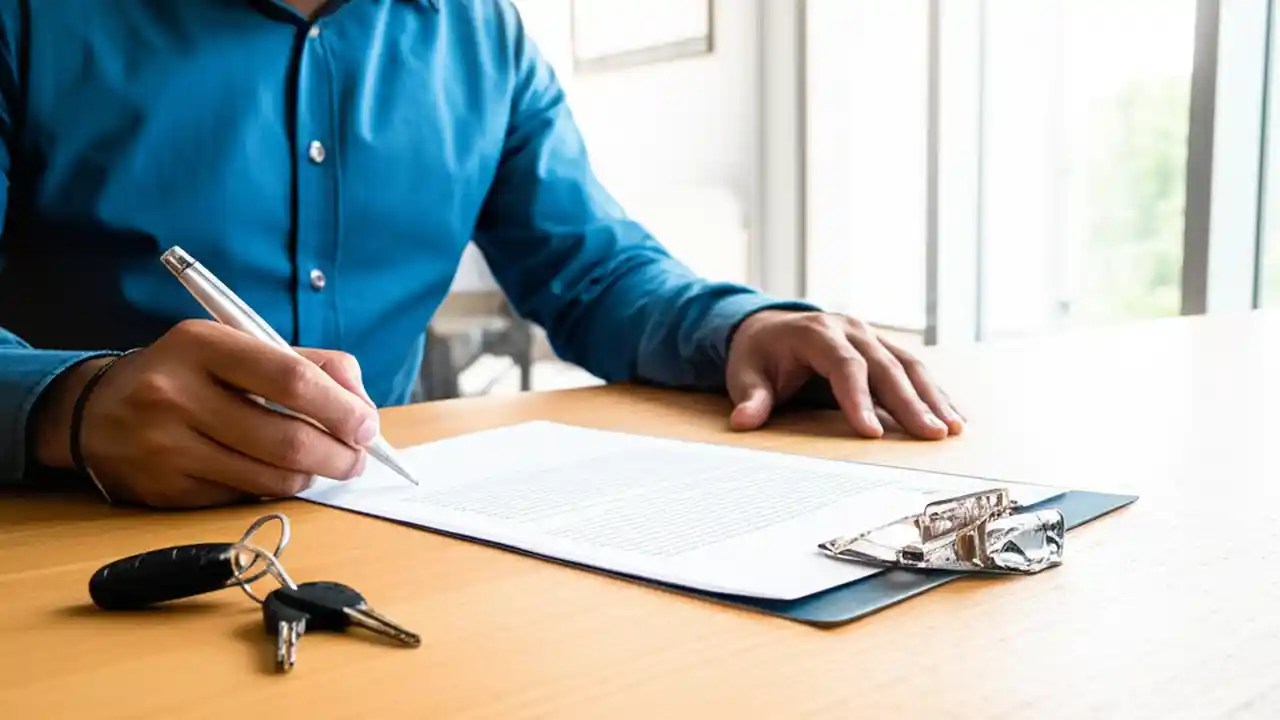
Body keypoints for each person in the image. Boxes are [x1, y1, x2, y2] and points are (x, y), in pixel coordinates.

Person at [0, 0, 963, 508]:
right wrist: (67, 406)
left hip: (390, 520)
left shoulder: (482, 32)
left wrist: (741, 323)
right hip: (66, 535)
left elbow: (593, 268)